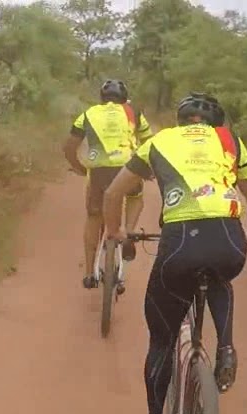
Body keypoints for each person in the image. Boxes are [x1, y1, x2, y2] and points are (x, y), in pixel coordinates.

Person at [100, 93, 247, 414]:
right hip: (228, 240)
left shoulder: (160, 140)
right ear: (214, 122)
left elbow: (114, 194)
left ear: (181, 120)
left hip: (179, 244)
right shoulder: (230, 140)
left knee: (161, 340)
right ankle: (225, 346)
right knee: (220, 275)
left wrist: (116, 231)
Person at [62, 79, 153, 293]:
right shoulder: (134, 113)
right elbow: (150, 143)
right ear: (124, 99)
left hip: (99, 169)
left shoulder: (88, 114)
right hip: (128, 167)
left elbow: (69, 147)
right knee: (135, 196)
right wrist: (147, 169)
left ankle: (89, 273)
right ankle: (128, 233)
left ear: (102, 99)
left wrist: (81, 168)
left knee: (94, 216)